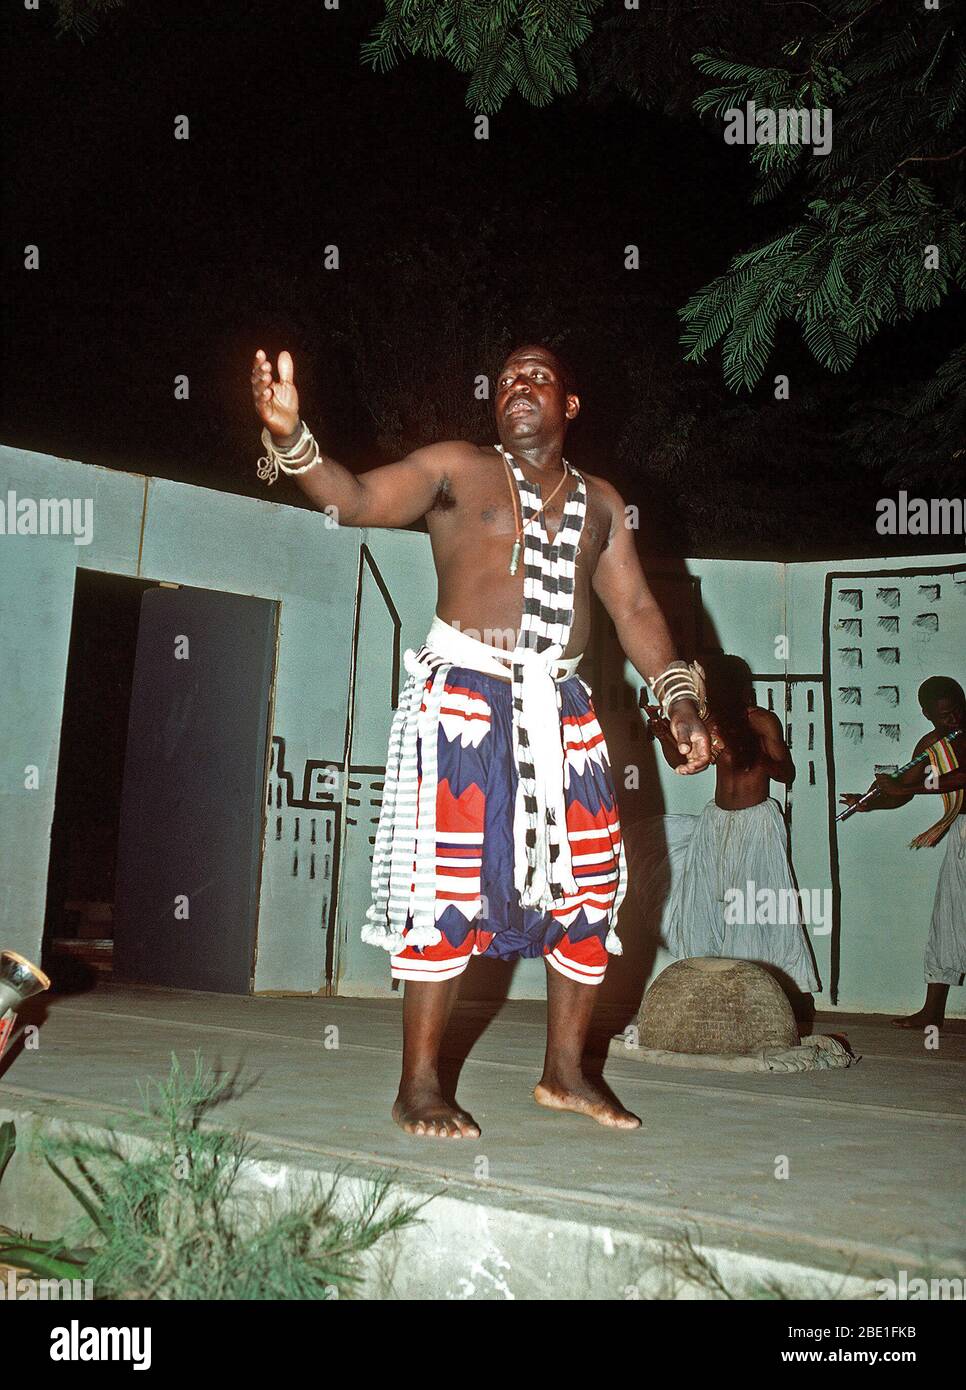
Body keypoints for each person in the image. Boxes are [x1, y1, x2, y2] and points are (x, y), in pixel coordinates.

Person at [251, 343, 711, 1136]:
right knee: (447, 885)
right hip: (462, 698)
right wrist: (293, 437)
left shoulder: (602, 503)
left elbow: (635, 608)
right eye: (504, 380)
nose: (517, 386)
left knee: (593, 885)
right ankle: (419, 1085)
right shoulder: (456, 468)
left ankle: (566, 1073)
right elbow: (354, 499)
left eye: (536, 376)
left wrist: (680, 700)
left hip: (562, 707)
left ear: (569, 405)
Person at [646, 653, 819, 998]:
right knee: (708, 904)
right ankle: (713, 989)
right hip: (716, 823)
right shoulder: (709, 723)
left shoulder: (762, 721)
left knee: (756, 909)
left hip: (756, 823)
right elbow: (681, 762)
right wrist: (664, 736)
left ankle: (773, 995)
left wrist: (754, 754)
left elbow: (787, 774)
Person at [840, 676, 965, 1029]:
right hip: (963, 835)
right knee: (949, 919)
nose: (953, 720)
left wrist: (913, 786)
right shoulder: (932, 745)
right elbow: (904, 792)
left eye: (957, 710)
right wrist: (873, 803)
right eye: (944, 716)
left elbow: (961, 778)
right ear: (928, 715)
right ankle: (932, 1013)